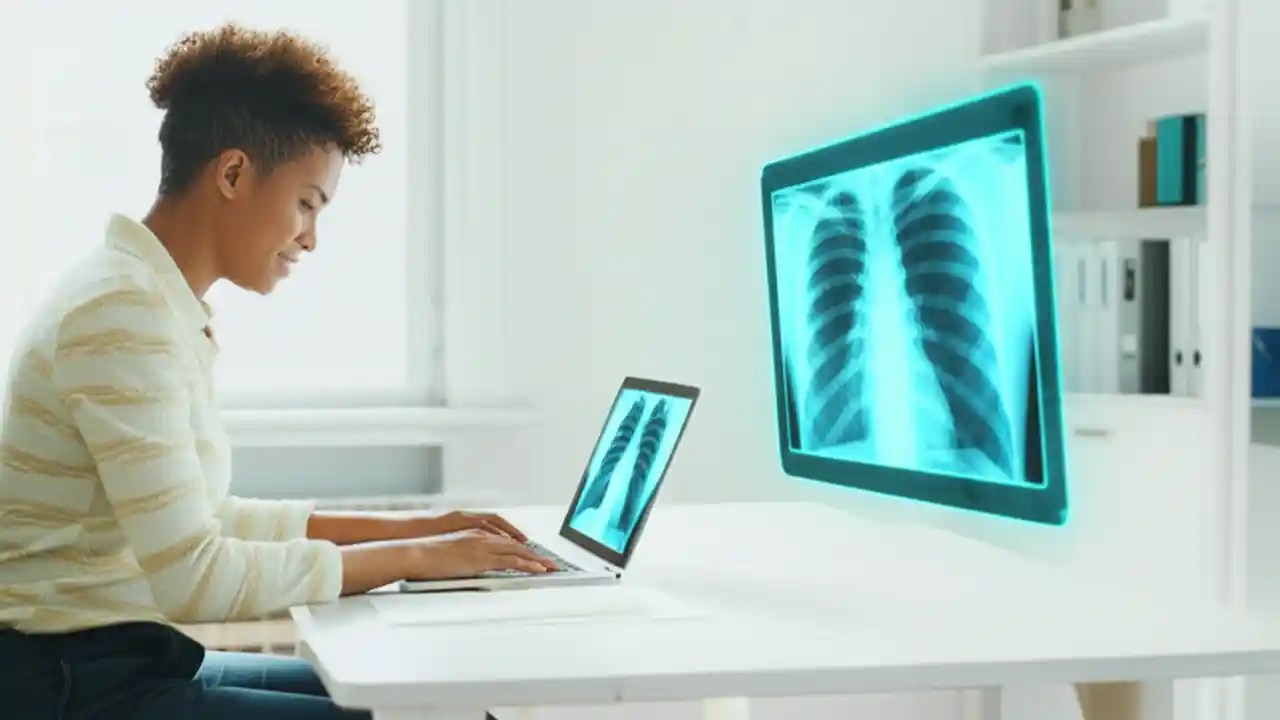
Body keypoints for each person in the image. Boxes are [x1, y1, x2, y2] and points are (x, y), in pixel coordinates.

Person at [0, 22, 556, 719]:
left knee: (426, 696)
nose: (311, 239)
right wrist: (418, 560)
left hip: (119, 662)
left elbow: (204, 517)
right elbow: (195, 576)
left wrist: (419, 530)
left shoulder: (148, 300)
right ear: (232, 173)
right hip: (71, 687)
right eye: (306, 204)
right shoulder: (121, 314)